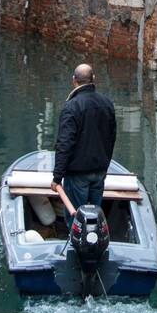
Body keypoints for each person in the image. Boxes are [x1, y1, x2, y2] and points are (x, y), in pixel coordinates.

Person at [52, 63, 116, 228]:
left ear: (74, 81)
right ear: (93, 79)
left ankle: (77, 246)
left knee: (77, 220)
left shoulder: (71, 107)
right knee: (94, 217)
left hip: (77, 175)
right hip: (99, 171)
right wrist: (105, 164)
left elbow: (64, 144)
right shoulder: (107, 103)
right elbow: (112, 138)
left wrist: (57, 177)